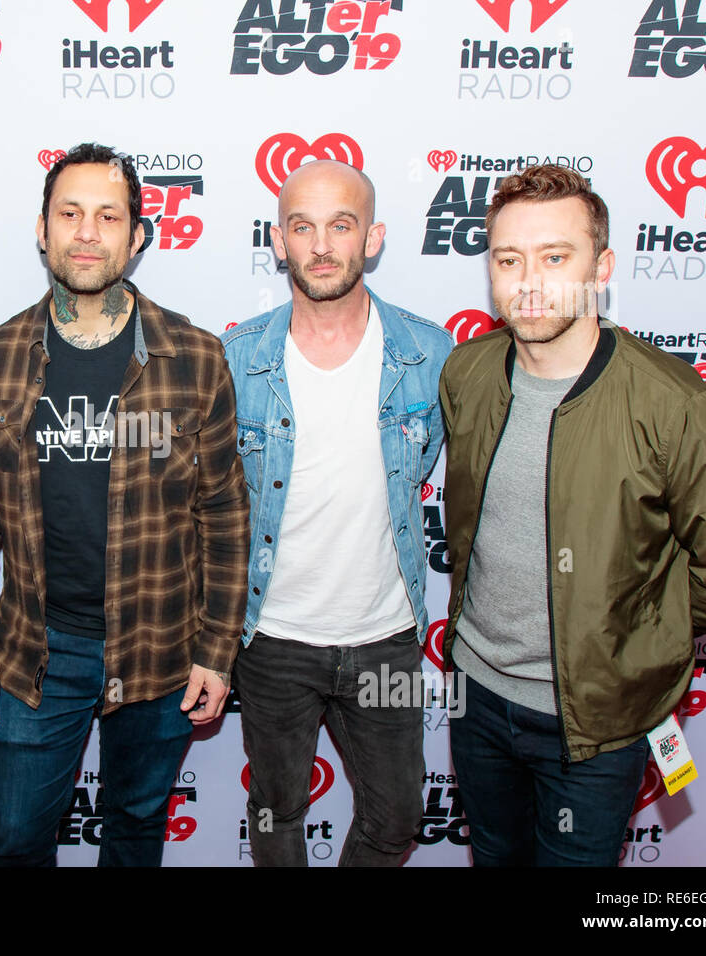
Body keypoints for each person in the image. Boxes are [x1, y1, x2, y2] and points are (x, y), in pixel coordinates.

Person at [439, 163, 706, 866]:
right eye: (509, 259)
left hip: (594, 724)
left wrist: (630, 639)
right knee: (495, 855)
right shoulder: (465, 372)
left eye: (556, 257)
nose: (529, 280)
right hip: (475, 698)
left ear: (602, 265)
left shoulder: (676, 406)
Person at [0, 143, 249, 867]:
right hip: (34, 651)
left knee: (137, 828)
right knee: (17, 841)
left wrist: (216, 649)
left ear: (137, 237)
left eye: (108, 215)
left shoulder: (195, 356)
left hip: (162, 645)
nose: (87, 231)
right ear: (42, 230)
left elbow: (226, 518)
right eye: (70, 213)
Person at [222, 160, 452, 866]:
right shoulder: (235, 358)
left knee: (396, 816)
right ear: (279, 240)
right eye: (303, 227)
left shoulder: (430, 353)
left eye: (341, 226)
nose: (321, 245)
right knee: (275, 812)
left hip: (385, 634)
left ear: (372, 238)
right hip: (274, 642)